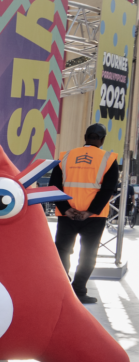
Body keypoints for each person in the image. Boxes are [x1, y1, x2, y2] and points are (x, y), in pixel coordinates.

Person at [51, 123, 120, 304]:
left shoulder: (65, 157)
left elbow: (54, 186)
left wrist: (66, 209)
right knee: (88, 254)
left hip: (67, 215)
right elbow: (108, 190)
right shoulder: (109, 159)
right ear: (102, 140)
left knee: (62, 251)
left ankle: (63, 289)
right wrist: (90, 212)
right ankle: (79, 291)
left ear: (85, 137)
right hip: (94, 217)